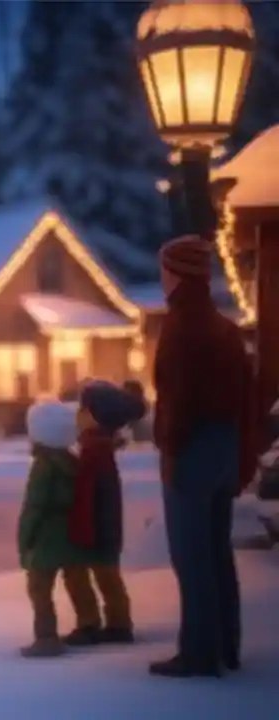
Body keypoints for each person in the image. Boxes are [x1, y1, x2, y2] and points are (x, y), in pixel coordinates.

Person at [150, 235, 259, 678]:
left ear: (176, 273)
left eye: (164, 269)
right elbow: (245, 398)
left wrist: (171, 448)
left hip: (193, 448)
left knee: (191, 555)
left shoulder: (181, 328)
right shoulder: (224, 328)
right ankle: (227, 645)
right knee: (217, 551)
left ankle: (198, 652)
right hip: (225, 446)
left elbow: (178, 398)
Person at [61, 380, 147, 646]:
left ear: (96, 416)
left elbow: (87, 493)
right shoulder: (98, 447)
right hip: (103, 527)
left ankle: (92, 623)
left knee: (81, 572)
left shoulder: (94, 451)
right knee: (108, 576)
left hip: (96, 527)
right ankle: (118, 622)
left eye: (83, 410)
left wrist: (80, 527)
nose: (77, 415)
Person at [18, 400, 95, 658]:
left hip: (46, 539)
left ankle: (46, 637)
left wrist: (24, 539)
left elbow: (34, 506)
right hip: (70, 533)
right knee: (77, 579)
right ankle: (89, 622)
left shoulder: (43, 467)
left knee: (39, 588)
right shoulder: (73, 462)